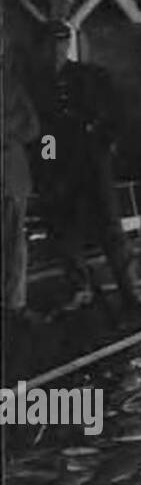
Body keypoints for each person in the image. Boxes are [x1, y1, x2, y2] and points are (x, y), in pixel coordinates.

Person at [33, 21, 141, 316]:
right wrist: (47, 164)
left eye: (62, 42)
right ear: (42, 47)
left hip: (92, 162)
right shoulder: (36, 83)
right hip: (59, 165)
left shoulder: (91, 76)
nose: (56, 50)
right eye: (50, 44)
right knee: (64, 229)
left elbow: (117, 114)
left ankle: (131, 291)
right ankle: (79, 288)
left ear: (68, 44)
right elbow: (40, 131)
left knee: (111, 228)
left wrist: (104, 143)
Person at [2, 46, 41, 320]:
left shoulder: (11, 87)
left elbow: (32, 127)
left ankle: (14, 303)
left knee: (14, 241)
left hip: (10, 176)